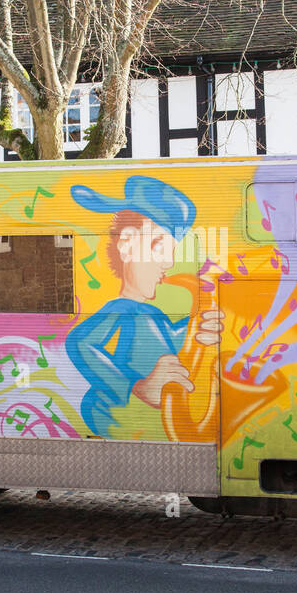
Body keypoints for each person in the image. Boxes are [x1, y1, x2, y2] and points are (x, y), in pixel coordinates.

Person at [66, 176, 223, 439]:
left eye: (172, 250)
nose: (168, 262)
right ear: (127, 243)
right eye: (159, 246)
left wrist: (199, 330)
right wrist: (136, 387)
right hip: (117, 419)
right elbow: (80, 343)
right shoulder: (121, 310)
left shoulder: (154, 315)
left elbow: (171, 337)